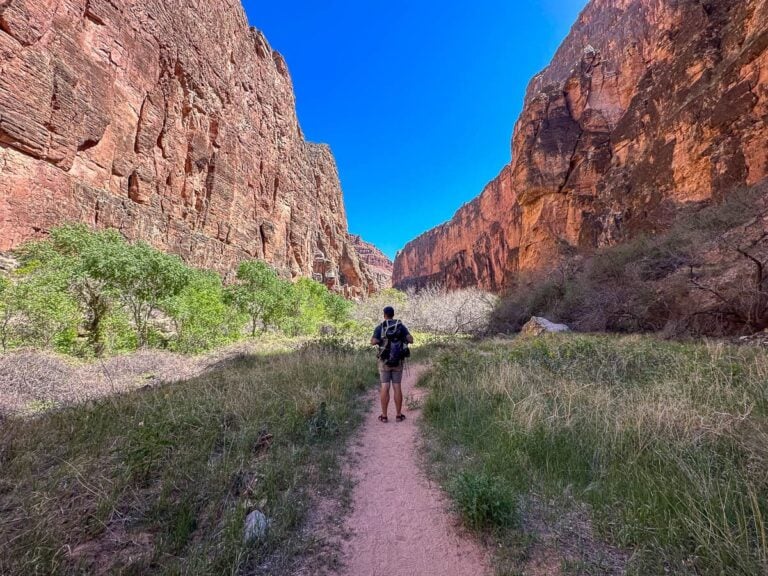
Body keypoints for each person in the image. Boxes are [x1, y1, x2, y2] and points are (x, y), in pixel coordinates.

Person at [371, 306, 414, 423]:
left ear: (384, 315)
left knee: (385, 386)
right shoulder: (400, 327)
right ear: (393, 314)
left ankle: (384, 416)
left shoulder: (381, 327)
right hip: (398, 362)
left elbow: (373, 341)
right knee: (397, 386)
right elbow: (411, 340)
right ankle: (398, 415)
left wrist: (382, 341)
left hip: (384, 362)